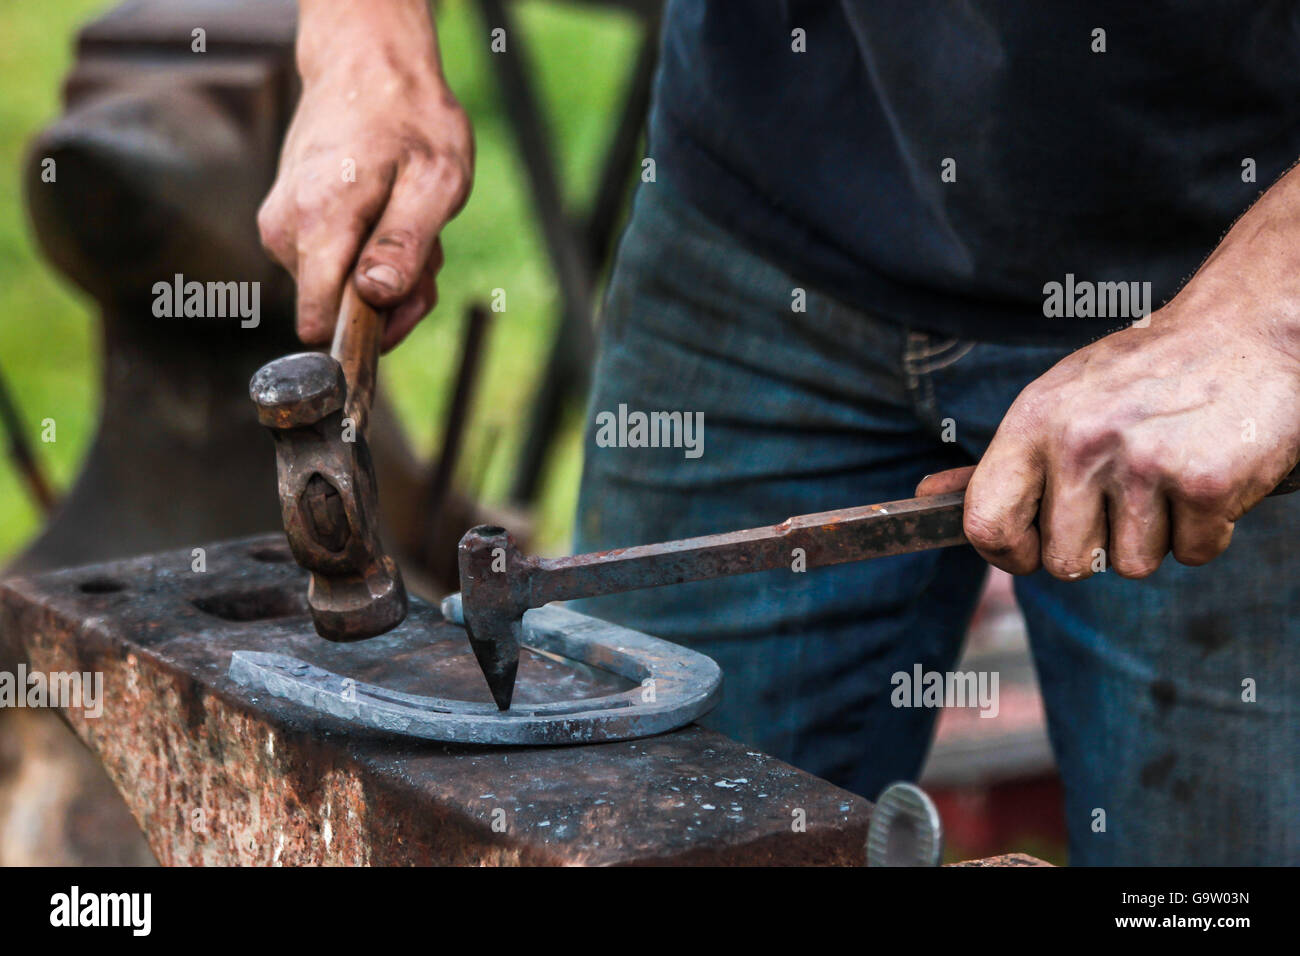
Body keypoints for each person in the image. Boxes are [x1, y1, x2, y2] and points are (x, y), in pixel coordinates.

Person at [258, 0, 1300, 864]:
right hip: (761, 211)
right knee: (650, 837)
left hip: (1220, 291)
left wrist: (1271, 319)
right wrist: (363, 43)